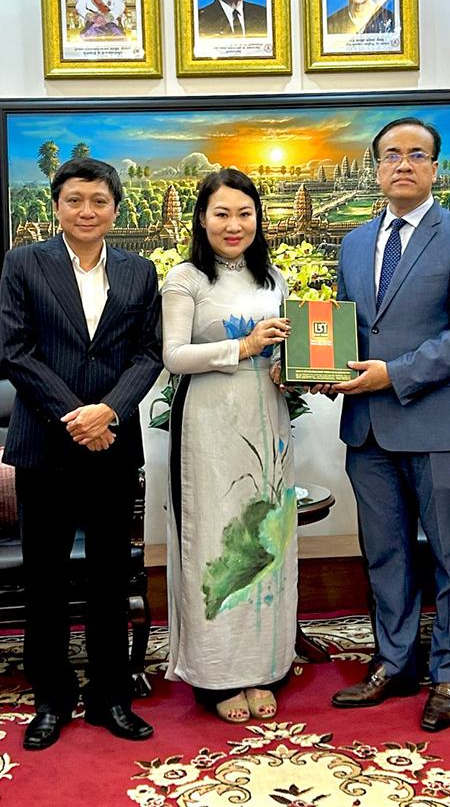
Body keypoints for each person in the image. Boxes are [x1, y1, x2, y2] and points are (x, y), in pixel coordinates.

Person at [328, 117, 450, 732]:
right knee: (385, 553)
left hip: (436, 421)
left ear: (434, 167)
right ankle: (395, 663)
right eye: (391, 155)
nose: (402, 164)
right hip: (367, 428)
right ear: (375, 168)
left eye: (416, 155)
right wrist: (320, 368)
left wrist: (392, 374)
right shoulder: (351, 242)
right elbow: (346, 326)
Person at [0, 158, 162, 751]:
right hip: (46, 444)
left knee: (108, 578)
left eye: (98, 200)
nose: (86, 211)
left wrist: (108, 412)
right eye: (74, 200)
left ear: (115, 207)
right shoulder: (24, 263)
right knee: (44, 578)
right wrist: (78, 416)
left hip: (112, 446)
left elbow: (148, 354)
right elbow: (16, 352)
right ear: (56, 206)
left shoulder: (141, 271)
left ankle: (110, 696)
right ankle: (51, 699)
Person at [162, 168, 296, 724]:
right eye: (222, 213)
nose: (234, 224)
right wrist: (242, 347)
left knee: (268, 538)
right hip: (210, 424)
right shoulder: (185, 278)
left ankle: (264, 667)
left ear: (259, 218)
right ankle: (217, 675)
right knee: (214, 539)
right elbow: (174, 357)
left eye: (245, 213)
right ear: (201, 218)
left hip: (268, 418)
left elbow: (281, 351)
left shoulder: (275, 280)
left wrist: (294, 370)